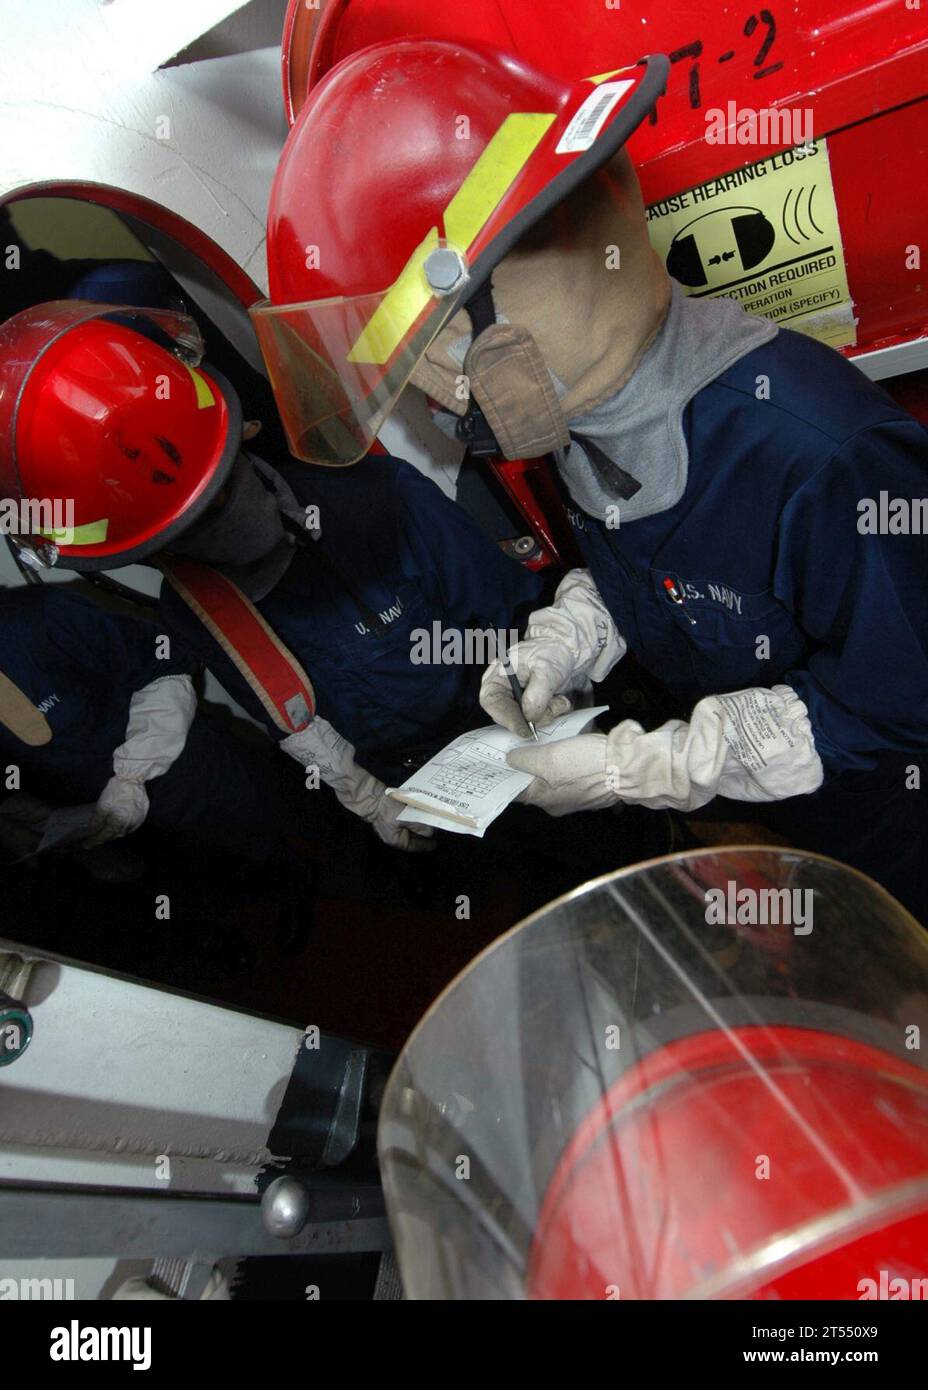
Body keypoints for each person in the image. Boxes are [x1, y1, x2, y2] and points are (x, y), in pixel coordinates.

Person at [251, 38, 928, 920]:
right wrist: (571, 634)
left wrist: (643, 767)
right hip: (764, 818)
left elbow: (900, 707)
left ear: (507, 304)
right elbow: (651, 563)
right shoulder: (589, 418)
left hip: (880, 827)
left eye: (430, 358)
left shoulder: (818, 453)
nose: (440, 402)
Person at [0, 300, 543, 852]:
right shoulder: (194, 607)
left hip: (513, 734)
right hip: (418, 788)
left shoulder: (379, 502)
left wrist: (537, 710)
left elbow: (513, 618)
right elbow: (293, 720)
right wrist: (370, 796)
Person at [0, 585, 299, 864]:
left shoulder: (35, 618)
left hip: (190, 775)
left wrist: (133, 778)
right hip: (111, 828)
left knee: (288, 826)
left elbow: (163, 659)